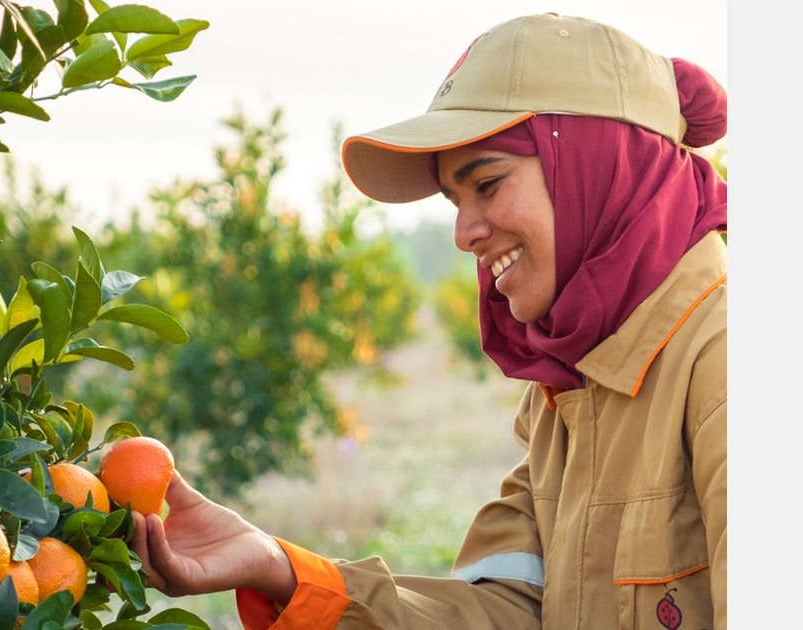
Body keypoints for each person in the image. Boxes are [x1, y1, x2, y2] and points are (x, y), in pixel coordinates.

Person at [129, 12, 727, 629]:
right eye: (455, 200)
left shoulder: (726, 361)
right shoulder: (567, 393)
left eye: (488, 183)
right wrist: (277, 569)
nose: (465, 233)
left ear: (599, 167)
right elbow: (509, 613)